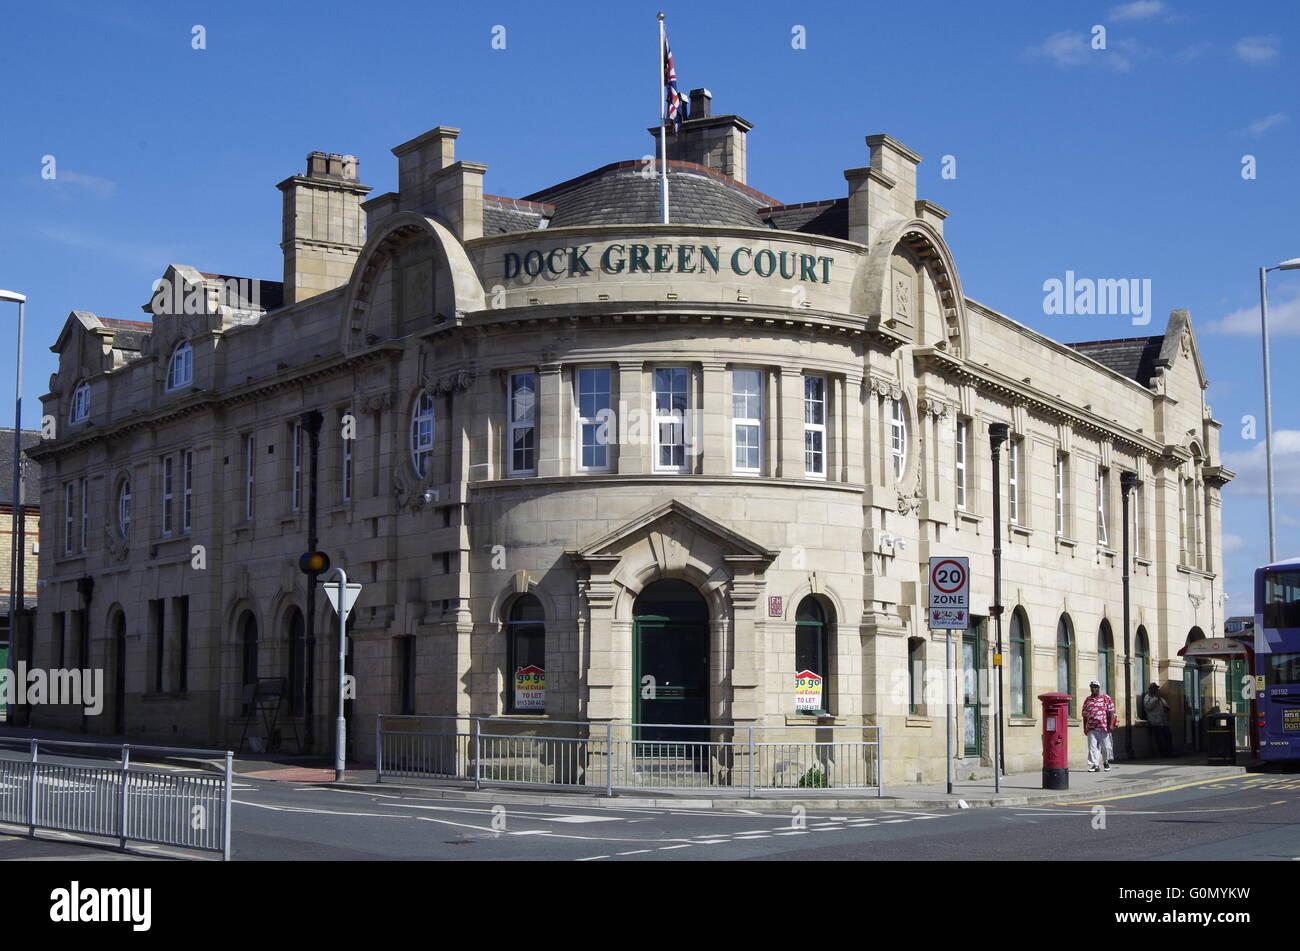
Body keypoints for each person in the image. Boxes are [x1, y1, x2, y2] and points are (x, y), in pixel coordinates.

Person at [1081, 680, 1117, 772]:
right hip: (1091, 727)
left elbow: (1112, 711)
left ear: (1099, 688)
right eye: (1092, 687)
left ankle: (1106, 761)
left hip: (1104, 727)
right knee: (1092, 747)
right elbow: (1084, 715)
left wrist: (1111, 724)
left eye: (1096, 687)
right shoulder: (1087, 700)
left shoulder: (1106, 698)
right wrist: (1084, 727)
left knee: (1105, 747)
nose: (1094, 688)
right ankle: (1095, 765)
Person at [1143, 683, 1172, 756]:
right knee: (1160, 738)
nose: (1156, 690)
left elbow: (1167, 707)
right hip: (1155, 721)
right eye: (1154, 688)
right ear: (1151, 689)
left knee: (1168, 736)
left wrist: (1166, 708)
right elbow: (1148, 707)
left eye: (1156, 688)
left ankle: (1169, 751)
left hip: (1163, 721)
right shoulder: (1147, 697)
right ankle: (1163, 753)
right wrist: (1155, 699)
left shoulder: (1160, 698)